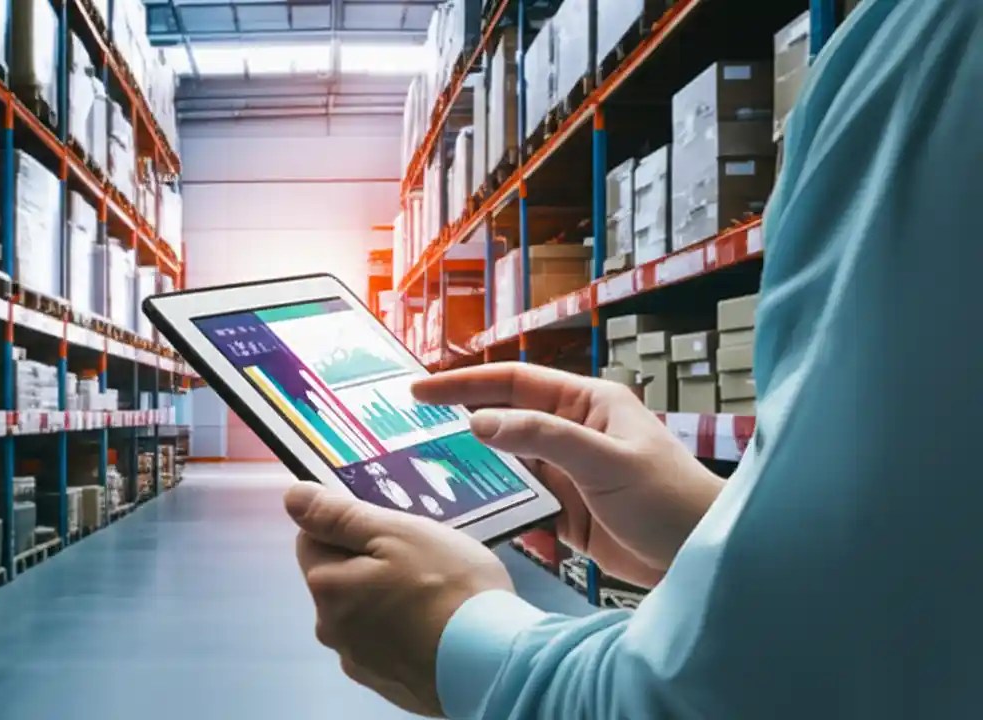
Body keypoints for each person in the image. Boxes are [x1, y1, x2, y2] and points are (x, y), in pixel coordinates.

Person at [284, 1, 983, 717]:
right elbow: (926, 584)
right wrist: (710, 523)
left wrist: (458, 643)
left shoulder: (934, 50)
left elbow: (761, 686)